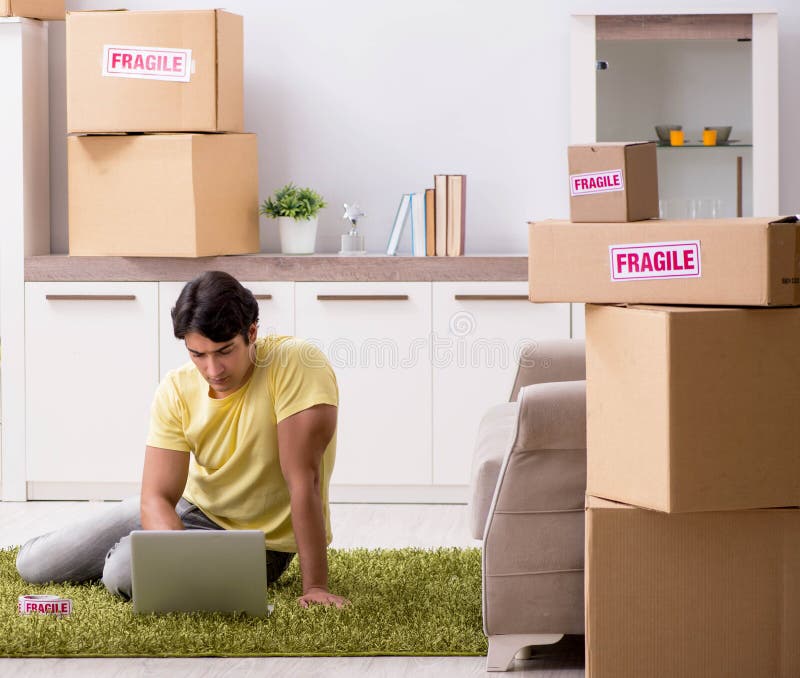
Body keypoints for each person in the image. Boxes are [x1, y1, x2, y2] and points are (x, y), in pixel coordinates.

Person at [16, 270, 349, 609]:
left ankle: (126, 555)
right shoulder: (177, 388)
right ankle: (131, 550)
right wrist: (177, 552)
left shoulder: (294, 364)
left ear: (251, 333)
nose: (213, 370)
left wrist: (316, 586)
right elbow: (157, 496)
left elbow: (304, 481)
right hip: (191, 507)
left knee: (122, 572)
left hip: (258, 542)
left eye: (225, 351)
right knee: (33, 564)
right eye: (197, 354)